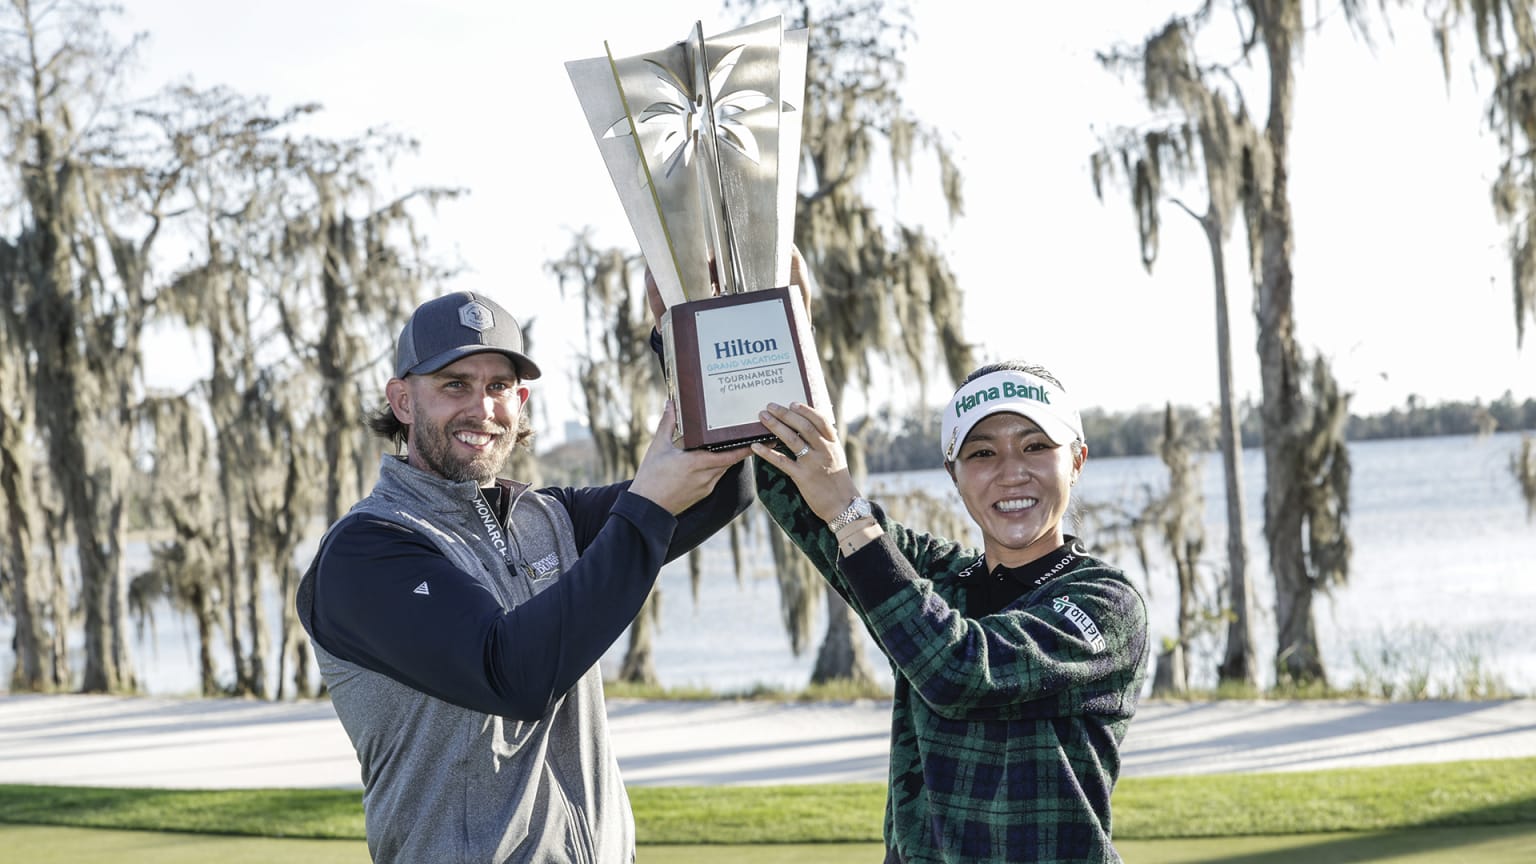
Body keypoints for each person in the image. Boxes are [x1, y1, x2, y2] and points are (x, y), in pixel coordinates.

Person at [296, 289, 752, 864]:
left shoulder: (547, 518)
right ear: (403, 401)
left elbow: (724, 486)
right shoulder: (365, 553)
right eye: (454, 384)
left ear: (521, 400)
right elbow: (511, 673)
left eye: (498, 387)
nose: (482, 409)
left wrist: (684, 334)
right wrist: (648, 506)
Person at [751, 360, 1149, 864]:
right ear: (953, 474)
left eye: (1035, 446)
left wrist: (849, 512)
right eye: (982, 453)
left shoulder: (1106, 602)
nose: (1011, 473)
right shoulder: (934, 579)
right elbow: (784, 474)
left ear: (1076, 461)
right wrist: (738, 332)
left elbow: (961, 670)